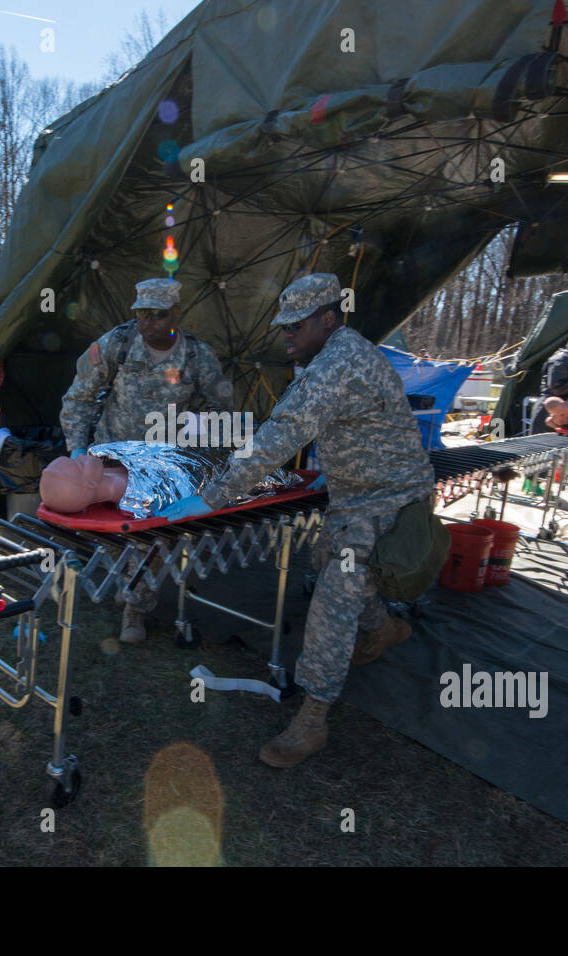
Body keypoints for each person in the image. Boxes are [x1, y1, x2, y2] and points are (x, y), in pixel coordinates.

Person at [159, 273, 435, 769]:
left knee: (335, 593)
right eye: (283, 326)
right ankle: (384, 629)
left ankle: (312, 718)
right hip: (357, 497)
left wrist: (212, 497)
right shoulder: (340, 353)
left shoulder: (338, 364)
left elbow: (279, 435)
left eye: (296, 326)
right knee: (328, 558)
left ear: (328, 319)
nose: (286, 335)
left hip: (389, 501)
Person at [59, 277, 234, 643]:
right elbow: (79, 396)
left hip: (160, 464)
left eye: (157, 315)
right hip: (111, 454)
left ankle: (135, 608)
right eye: (141, 314)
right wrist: (77, 449)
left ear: (176, 314)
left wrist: (195, 432)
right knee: (109, 529)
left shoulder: (198, 356)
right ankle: (125, 579)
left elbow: (222, 410)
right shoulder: (117, 343)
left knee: (151, 536)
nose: (148, 323)